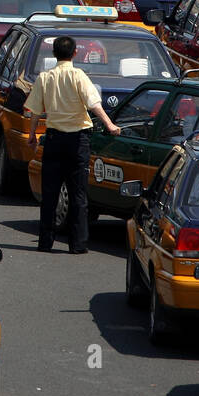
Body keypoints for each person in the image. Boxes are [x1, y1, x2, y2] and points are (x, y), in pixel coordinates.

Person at [25, 36, 121, 254]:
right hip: (77, 141)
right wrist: (109, 124)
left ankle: (45, 242)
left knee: (50, 193)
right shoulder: (78, 75)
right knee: (78, 194)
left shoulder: (45, 77)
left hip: (53, 140)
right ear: (75, 53)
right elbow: (93, 103)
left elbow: (35, 111)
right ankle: (78, 244)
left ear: (54, 54)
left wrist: (32, 135)